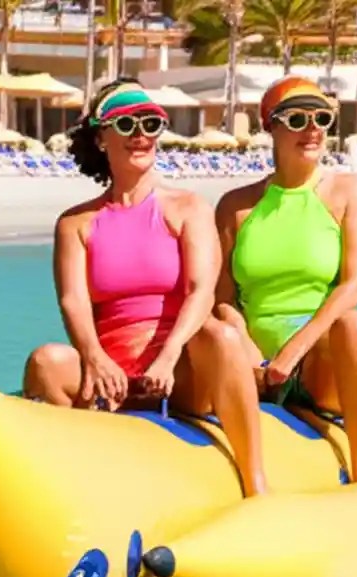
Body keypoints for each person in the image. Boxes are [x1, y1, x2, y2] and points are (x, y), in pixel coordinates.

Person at [23, 78, 268, 498]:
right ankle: (82, 482)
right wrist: (95, 358)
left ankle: (255, 482)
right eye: (127, 124)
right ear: (102, 137)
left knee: (222, 335)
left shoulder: (187, 207)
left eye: (151, 124)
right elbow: (73, 301)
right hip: (111, 375)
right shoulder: (75, 224)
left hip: (181, 372)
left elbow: (201, 290)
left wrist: (169, 355)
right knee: (45, 362)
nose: (141, 135)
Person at [214, 75, 357, 485]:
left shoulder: (347, 192)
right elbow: (221, 299)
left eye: (321, 118)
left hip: (316, 364)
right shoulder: (236, 206)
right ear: (270, 126)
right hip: (251, 365)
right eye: (296, 119)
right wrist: (249, 352)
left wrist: (292, 353)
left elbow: (356, 284)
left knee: (356, 326)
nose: (312, 130)